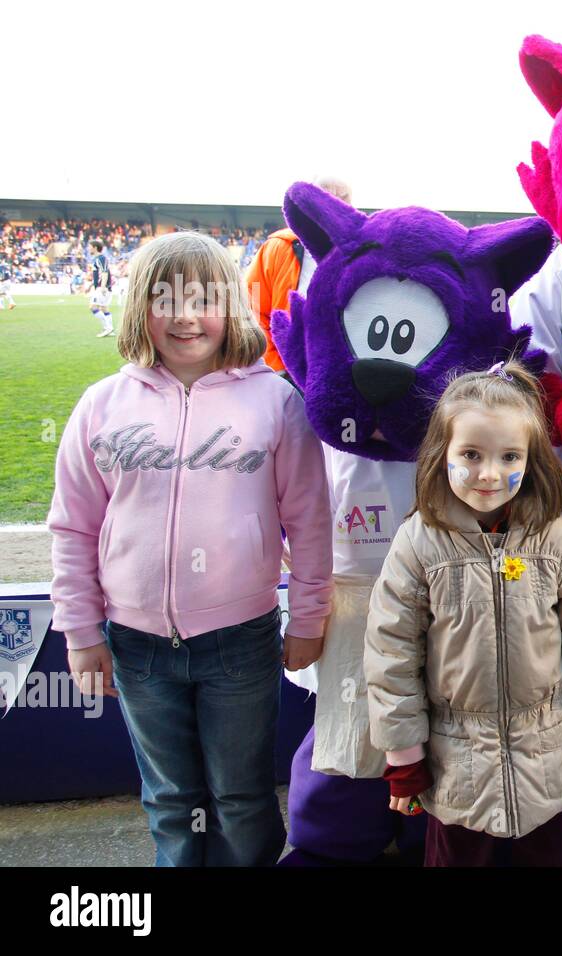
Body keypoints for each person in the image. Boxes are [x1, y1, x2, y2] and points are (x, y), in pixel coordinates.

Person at [48, 232, 333, 866]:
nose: (184, 314)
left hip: (240, 642)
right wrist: (79, 630)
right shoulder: (102, 405)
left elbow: (311, 524)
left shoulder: (275, 401)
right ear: (136, 308)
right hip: (135, 646)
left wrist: (308, 617)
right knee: (172, 799)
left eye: (203, 297)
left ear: (232, 305)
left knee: (240, 798)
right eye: (164, 297)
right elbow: (72, 527)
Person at [365, 360, 562, 867]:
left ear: (532, 458)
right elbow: (391, 654)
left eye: (509, 456)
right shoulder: (419, 542)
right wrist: (403, 755)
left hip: (545, 757)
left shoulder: (558, 534)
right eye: (471, 455)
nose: (489, 473)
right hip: (456, 766)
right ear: (443, 455)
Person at [245, 176, 352, 375]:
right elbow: (252, 309)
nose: (331, 206)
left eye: (341, 200)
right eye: (324, 196)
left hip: (337, 375)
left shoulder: (359, 254)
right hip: (282, 372)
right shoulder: (278, 248)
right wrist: (275, 368)